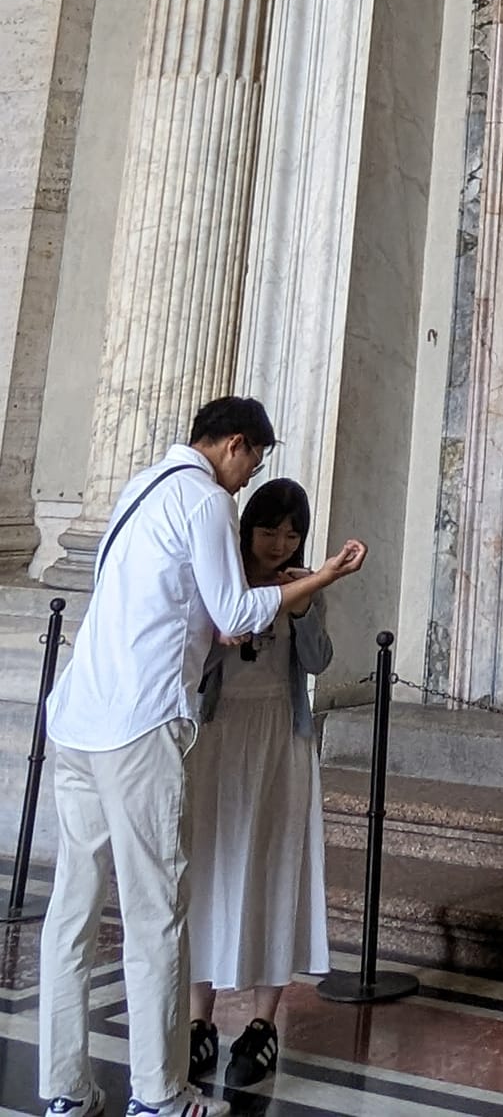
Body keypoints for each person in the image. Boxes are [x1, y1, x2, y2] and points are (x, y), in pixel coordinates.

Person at [38, 398, 366, 1117]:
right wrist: (326, 577)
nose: (248, 482)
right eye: (254, 464)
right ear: (237, 447)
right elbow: (238, 611)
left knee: (72, 914)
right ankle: (159, 1094)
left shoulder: (140, 487)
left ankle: (64, 1089)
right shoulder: (207, 499)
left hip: (78, 718)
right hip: (139, 722)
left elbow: (161, 600)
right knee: (157, 914)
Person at [186, 481, 333, 1091]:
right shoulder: (222, 579)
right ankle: (197, 1020)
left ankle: (262, 1022)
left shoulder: (300, 586)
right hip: (220, 736)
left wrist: (299, 609)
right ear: (246, 531)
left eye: (291, 534)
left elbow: (321, 661)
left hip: (280, 736)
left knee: (276, 866)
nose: (279, 544)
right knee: (207, 867)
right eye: (269, 531)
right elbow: (197, 656)